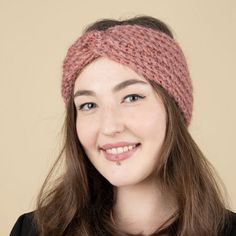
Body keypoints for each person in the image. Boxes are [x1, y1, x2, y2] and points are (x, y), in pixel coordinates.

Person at [10, 15, 236, 236]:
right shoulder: (32, 230)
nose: (109, 127)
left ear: (174, 110)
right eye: (88, 105)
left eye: (132, 98)